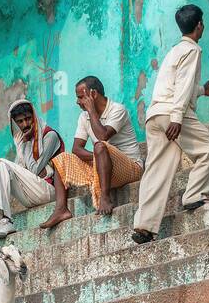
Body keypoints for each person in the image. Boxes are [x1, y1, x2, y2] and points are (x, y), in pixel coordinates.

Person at [132, 4, 209, 244]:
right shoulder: (192, 50)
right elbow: (181, 87)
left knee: (157, 169)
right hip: (172, 112)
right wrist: (177, 117)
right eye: (202, 22)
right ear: (199, 25)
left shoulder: (173, 51)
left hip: (154, 115)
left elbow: (176, 84)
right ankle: (194, 194)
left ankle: (144, 225)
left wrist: (203, 90)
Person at [40, 76, 143, 229]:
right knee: (61, 159)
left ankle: (105, 197)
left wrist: (92, 111)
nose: (77, 102)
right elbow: (76, 149)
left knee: (100, 146)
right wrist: (100, 158)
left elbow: (103, 136)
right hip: (103, 168)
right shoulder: (83, 116)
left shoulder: (117, 110)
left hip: (131, 168)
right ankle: (61, 209)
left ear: (93, 94)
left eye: (81, 97)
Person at [0, 97, 64, 239]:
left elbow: (34, 169)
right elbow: (19, 171)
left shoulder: (50, 135)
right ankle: (3, 220)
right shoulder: (22, 140)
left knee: (0, 162)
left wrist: (23, 145)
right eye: (20, 121)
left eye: (28, 119)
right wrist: (23, 145)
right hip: (31, 192)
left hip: (48, 191)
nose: (25, 124)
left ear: (34, 117)